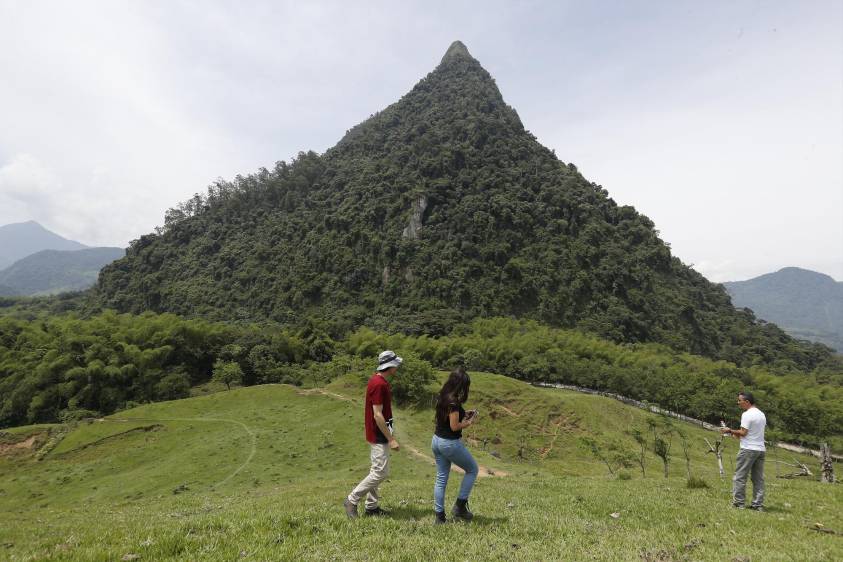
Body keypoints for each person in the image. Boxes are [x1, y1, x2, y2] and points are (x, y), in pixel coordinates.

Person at [344, 350, 402, 518]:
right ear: (390, 365)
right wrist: (391, 439)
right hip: (379, 434)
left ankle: (371, 507)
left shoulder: (379, 381)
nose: (397, 367)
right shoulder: (379, 384)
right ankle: (352, 499)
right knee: (380, 473)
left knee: (376, 470)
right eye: (395, 364)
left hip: (379, 432)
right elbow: (377, 414)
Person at [431, 367, 479, 524]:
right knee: (472, 469)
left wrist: (464, 414)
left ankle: (439, 517)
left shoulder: (443, 396)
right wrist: (469, 422)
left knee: (441, 478)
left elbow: (448, 419)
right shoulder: (454, 401)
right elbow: (454, 426)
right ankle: (459, 507)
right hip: (449, 443)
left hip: (436, 440)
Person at [720, 391, 767, 511]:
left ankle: (739, 504)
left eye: (740, 400)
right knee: (758, 479)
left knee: (740, 477)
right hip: (760, 450)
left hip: (748, 450)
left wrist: (729, 430)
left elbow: (743, 433)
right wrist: (734, 434)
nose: (738, 402)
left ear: (747, 402)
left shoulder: (747, 414)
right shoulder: (761, 414)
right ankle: (758, 505)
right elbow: (749, 434)